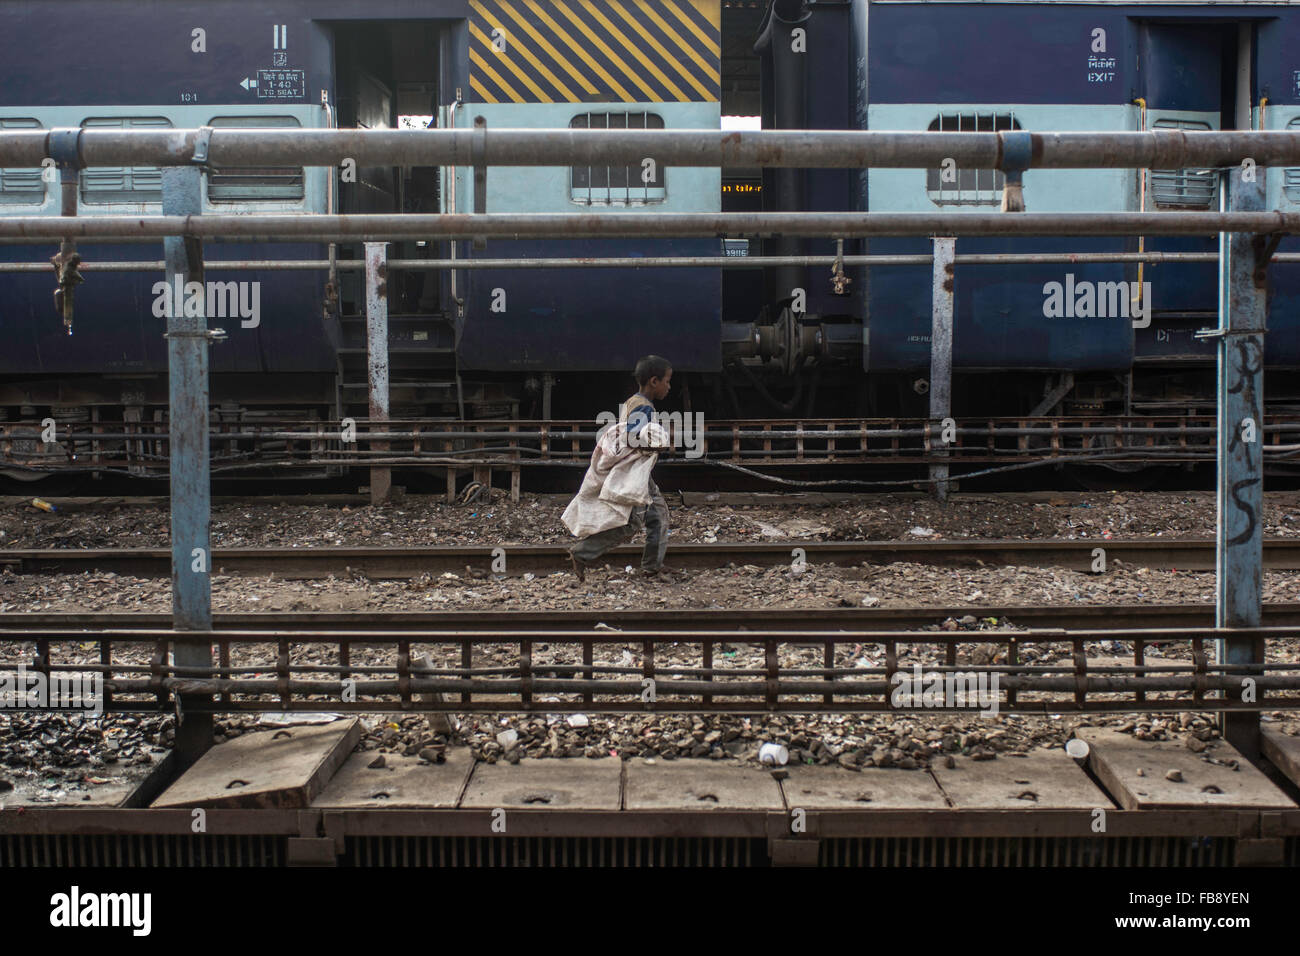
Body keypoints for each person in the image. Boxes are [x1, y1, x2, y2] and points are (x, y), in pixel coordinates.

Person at [563, 355, 679, 580]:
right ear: (654, 381)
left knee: (657, 516)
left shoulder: (632, 401)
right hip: (635, 473)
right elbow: (634, 437)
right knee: (632, 523)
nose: (669, 386)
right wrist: (660, 444)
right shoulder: (643, 407)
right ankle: (582, 553)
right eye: (667, 380)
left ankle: (653, 567)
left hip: (637, 471)